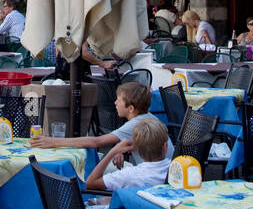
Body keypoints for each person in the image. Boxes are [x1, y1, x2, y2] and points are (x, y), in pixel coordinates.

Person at [36, 81, 175, 165]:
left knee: (94, 167)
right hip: (164, 172)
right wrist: (121, 150)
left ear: (131, 108)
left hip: (150, 180)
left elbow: (96, 142)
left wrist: (52, 141)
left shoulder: (135, 124)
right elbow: (136, 143)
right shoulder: (148, 117)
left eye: (119, 100)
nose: (115, 103)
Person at [85, 117, 171, 194]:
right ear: (165, 146)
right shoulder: (177, 169)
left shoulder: (128, 175)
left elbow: (91, 182)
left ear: (136, 149)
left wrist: (112, 152)